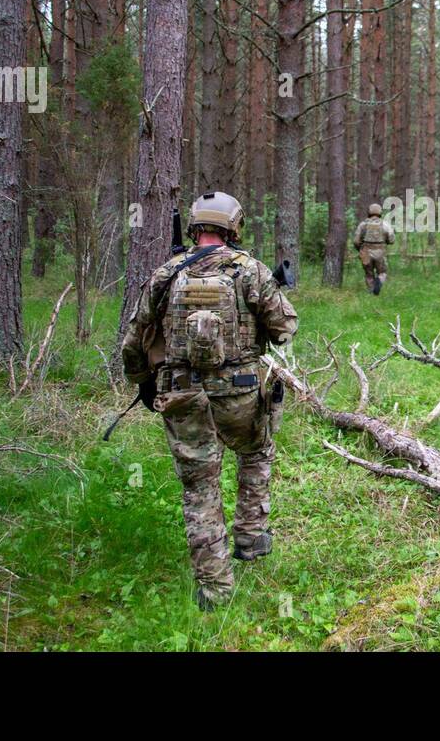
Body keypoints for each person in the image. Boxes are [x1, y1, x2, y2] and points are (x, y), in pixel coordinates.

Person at [121, 192, 298, 610]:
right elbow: (284, 329)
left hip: (182, 394)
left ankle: (215, 589)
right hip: (238, 393)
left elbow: (133, 342)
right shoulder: (249, 271)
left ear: (196, 227)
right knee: (255, 452)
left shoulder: (165, 274)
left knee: (199, 488)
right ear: (234, 226)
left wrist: (145, 384)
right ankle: (252, 537)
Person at [352, 202, 395, 295]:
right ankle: (379, 281)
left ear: (369, 212)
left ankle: (372, 292)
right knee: (382, 272)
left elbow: (356, 241)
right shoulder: (385, 224)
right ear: (380, 212)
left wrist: (360, 250)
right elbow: (391, 240)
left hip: (366, 251)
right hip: (380, 251)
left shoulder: (363, 224)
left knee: (369, 273)